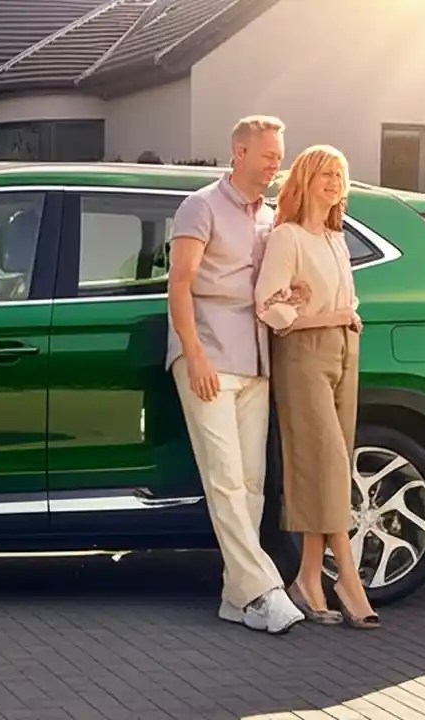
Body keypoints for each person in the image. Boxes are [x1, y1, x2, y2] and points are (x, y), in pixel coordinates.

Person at [166, 115, 304, 634]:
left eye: (278, 156)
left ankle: (235, 595)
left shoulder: (270, 218)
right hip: (208, 358)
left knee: (251, 484)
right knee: (224, 480)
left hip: (256, 362)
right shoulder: (200, 207)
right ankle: (265, 591)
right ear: (239, 154)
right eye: (267, 155)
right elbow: (179, 286)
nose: (275, 165)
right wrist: (194, 354)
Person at [254, 144, 380, 630]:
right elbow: (268, 306)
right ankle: (347, 577)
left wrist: (348, 319)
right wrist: (321, 315)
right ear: (304, 180)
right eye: (325, 173)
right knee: (325, 462)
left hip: (346, 350)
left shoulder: (335, 239)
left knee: (332, 464)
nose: (334, 182)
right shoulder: (287, 237)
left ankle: (308, 578)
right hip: (305, 355)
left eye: (341, 175)